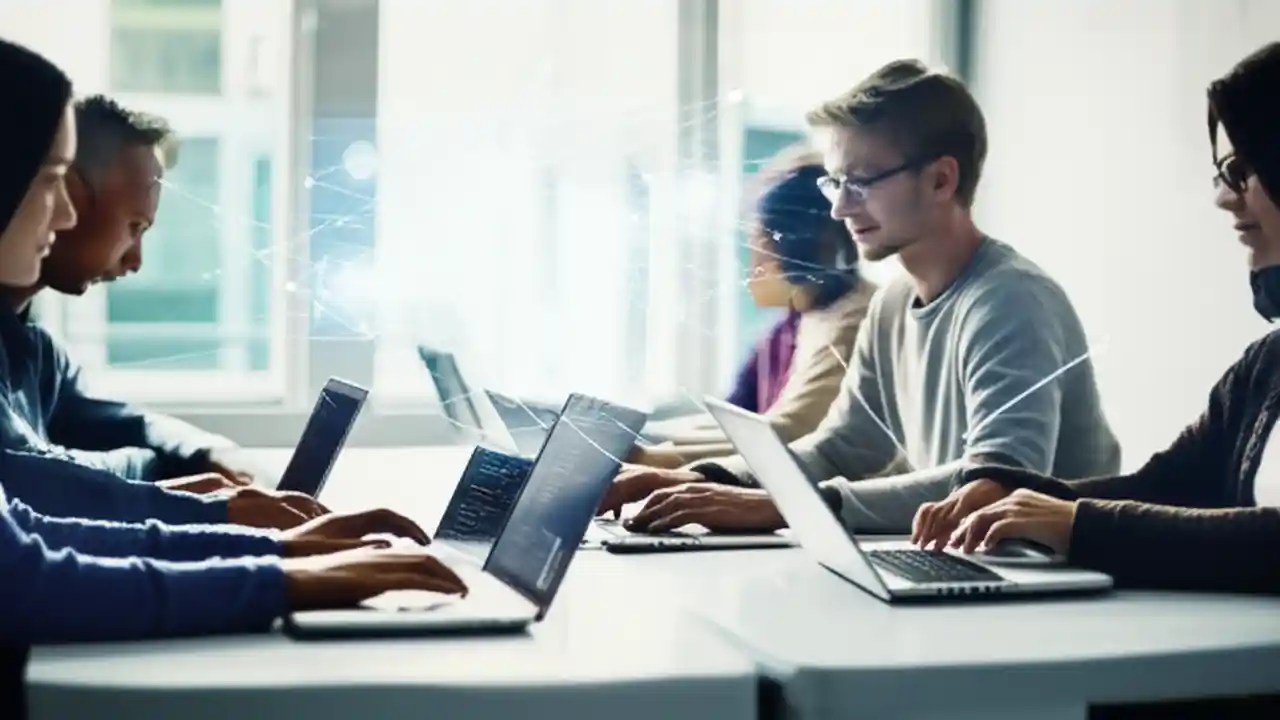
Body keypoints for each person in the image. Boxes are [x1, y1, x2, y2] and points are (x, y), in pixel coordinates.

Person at [0, 34, 465, 645]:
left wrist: (260, 539)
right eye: (51, 180)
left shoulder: (33, 348)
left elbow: (33, 532)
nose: (64, 217)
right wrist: (283, 570)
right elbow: (34, 552)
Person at [602, 59, 1120, 535]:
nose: (840, 209)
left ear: (941, 180)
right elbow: (841, 448)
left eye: (862, 182)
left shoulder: (1012, 301)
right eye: (836, 184)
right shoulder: (892, 304)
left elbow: (996, 484)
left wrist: (787, 505)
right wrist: (702, 478)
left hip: (1047, 584)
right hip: (970, 565)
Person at [911, 41, 1280, 595]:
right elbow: (1166, 485)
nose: (1224, 199)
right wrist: (1022, 496)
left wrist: (1080, 524)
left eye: (1241, 170)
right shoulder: (1266, 362)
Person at [0, 94, 254, 487]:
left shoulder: (36, 350)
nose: (136, 260)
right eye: (134, 226)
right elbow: (36, 478)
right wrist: (168, 475)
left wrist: (210, 453)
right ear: (71, 196)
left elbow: (120, 421)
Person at [635, 146, 876, 469]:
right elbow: (735, 415)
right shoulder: (793, 323)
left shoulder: (852, 321)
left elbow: (793, 430)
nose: (752, 267)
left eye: (760, 247)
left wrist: (654, 458)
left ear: (794, 248)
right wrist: (636, 437)